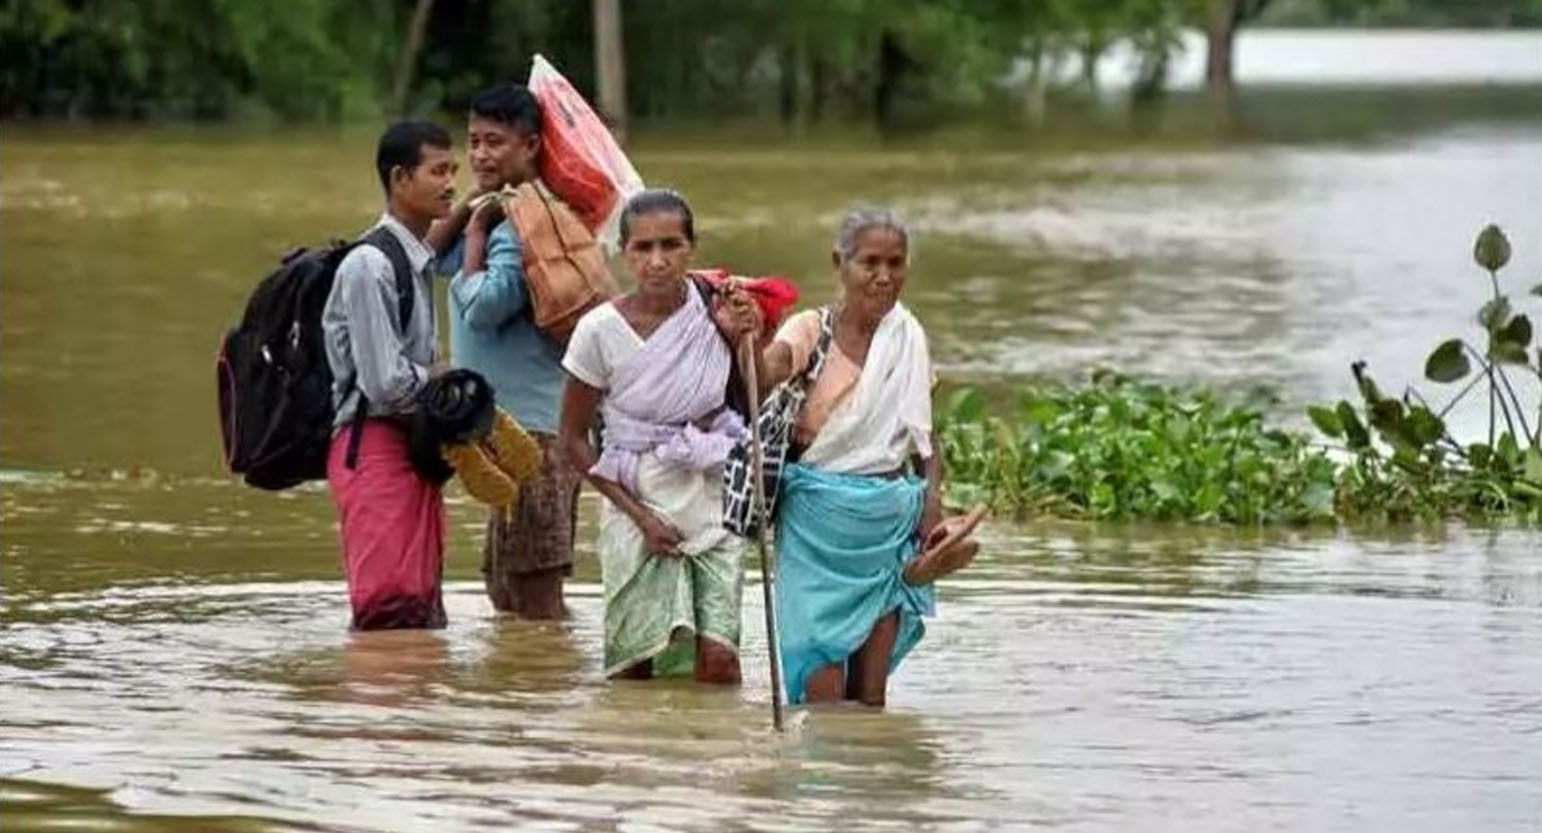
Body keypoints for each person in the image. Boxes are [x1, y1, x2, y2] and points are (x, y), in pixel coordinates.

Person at [751, 206, 977, 706]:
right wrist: (746, 335)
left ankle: (868, 779)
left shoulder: (908, 338)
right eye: (870, 262)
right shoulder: (811, 329)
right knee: (821, 682)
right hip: (816, 531)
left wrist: (932, 500)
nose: (883, 277)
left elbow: (924, 433)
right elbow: (768, 371)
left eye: (896, 264)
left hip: (888, 527)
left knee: (871, 698)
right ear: (841, 263)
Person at [557, 189, 760, 683]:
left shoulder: (720, 311)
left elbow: (757, 396)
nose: (657, 261)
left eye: (671, 245)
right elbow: (573, 439)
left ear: (692, 247)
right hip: (635, 495)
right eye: (643, 248)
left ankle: (714, 751)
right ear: (623, 253)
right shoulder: (598, 331)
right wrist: (642, 518)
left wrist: (746, 338)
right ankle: (636, 755)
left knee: (720, 660)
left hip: (711, 490)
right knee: (636, 658)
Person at [429, 84, 580, 621]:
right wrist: (473, 204)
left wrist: (475, 232)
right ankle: (520, 696)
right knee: (504, 590)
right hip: (512, 431)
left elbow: (487, 305)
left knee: (536, 594)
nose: (479, 155)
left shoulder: (521, 222)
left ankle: (548, 696)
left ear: (531, 145)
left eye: (495, 142)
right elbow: (427, 256)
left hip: (535, 433)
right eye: (473, 142)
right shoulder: (501, 211)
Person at [322, 120, 457, 630]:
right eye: (438, 171)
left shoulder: (415, 260)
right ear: (400, 179)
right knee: (387, 610)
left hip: (412, 447)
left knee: (421, 613)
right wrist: (442, 380)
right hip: (371, 443)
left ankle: (413, 712)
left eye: (453, 171)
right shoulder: (369, 266)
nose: (450, 183)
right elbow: (384, 384)